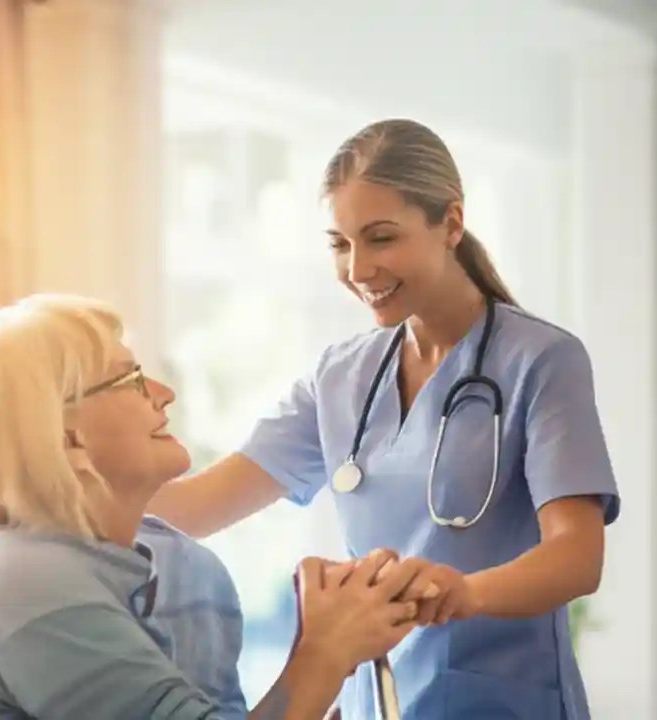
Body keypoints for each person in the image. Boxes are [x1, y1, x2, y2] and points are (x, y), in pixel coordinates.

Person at [148, 118, 621, 720]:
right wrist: (58, 491)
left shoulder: (542, 361)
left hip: (502, 701)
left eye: (381, 238)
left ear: (451, 223)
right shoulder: (341, 377)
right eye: (340, 244)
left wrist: (467, 592)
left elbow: (577, 557)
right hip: (377, 701)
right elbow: (195, 507)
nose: (357, 269)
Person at [0, 293, 434, 719]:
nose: (163, 394)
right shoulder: (19, 581)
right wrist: (326, 651)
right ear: (65, 437)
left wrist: (336, 640)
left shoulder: (183, 568)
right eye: (129, 380)